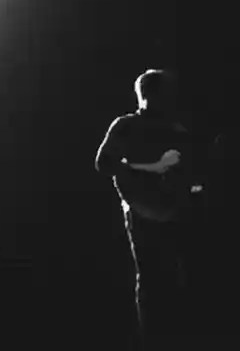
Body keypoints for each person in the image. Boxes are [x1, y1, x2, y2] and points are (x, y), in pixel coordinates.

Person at [94, 69, 207, 348]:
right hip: (143, 213)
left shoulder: (176, 129)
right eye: (167, 92)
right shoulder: (126, 125)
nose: (173, 98)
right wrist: (153, 168)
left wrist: (194, 186)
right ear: (151, 95)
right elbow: (104, 163)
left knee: (179, 280)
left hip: (176, 213)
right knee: (152, 281)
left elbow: (190, 171)